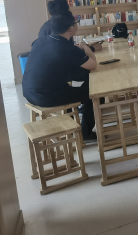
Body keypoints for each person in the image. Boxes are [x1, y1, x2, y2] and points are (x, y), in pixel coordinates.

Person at [22, 12, 98, 142]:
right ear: (71, 28)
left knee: (81, 86)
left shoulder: (39, 41)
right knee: (95, 94)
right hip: (47, 96)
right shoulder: (66, 48)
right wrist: (85, 47)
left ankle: (71, 122)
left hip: (29, 93)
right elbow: (93, 65)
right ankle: (85, 133)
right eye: (76, 23)